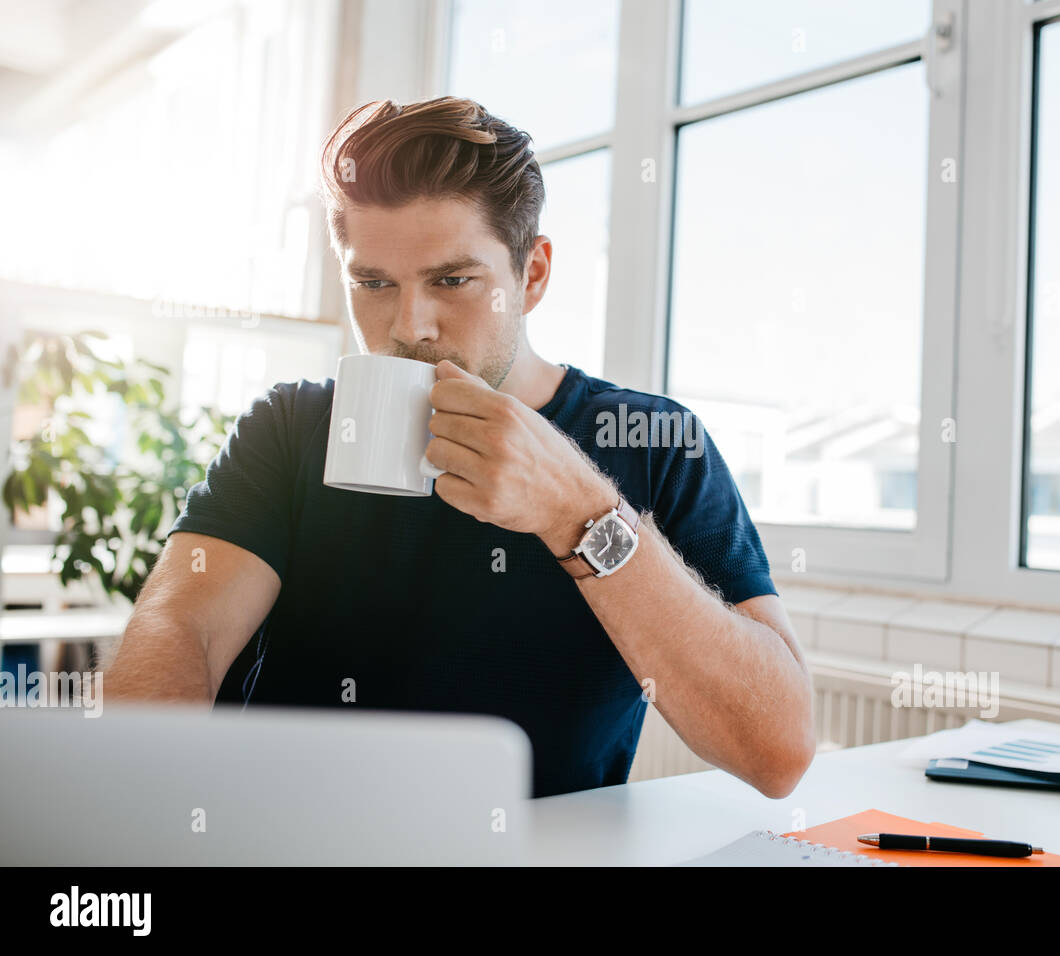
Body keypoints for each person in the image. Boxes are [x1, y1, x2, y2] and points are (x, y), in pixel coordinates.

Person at [103, 96, 814, 799]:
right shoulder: (292, 429)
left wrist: (582, 514)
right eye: (373, 283)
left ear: (530, 275)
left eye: (452, 280)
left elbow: (777, 752)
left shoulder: (656, 444)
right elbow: (181, 628)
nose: (410, 326)